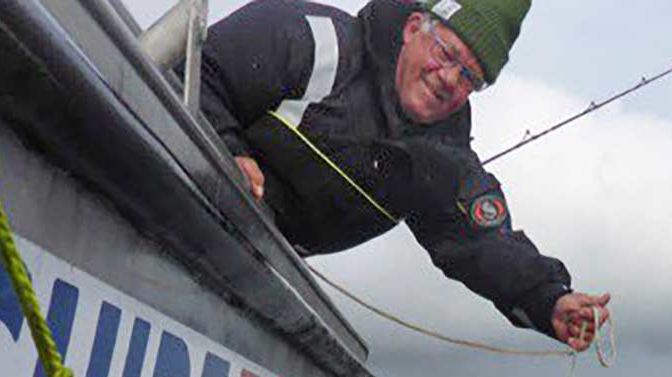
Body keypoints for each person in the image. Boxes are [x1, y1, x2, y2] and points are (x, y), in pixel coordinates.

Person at [197, 0, 610, 351]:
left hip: (248, 277)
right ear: (414, 28)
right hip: (181, 199)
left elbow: (481, 245)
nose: (449, 79)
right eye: (447, 55)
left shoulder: (444, 163)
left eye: (470, 78)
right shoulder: (310, 39)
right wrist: (227, 147)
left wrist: (548, 300)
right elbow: (196, 66)